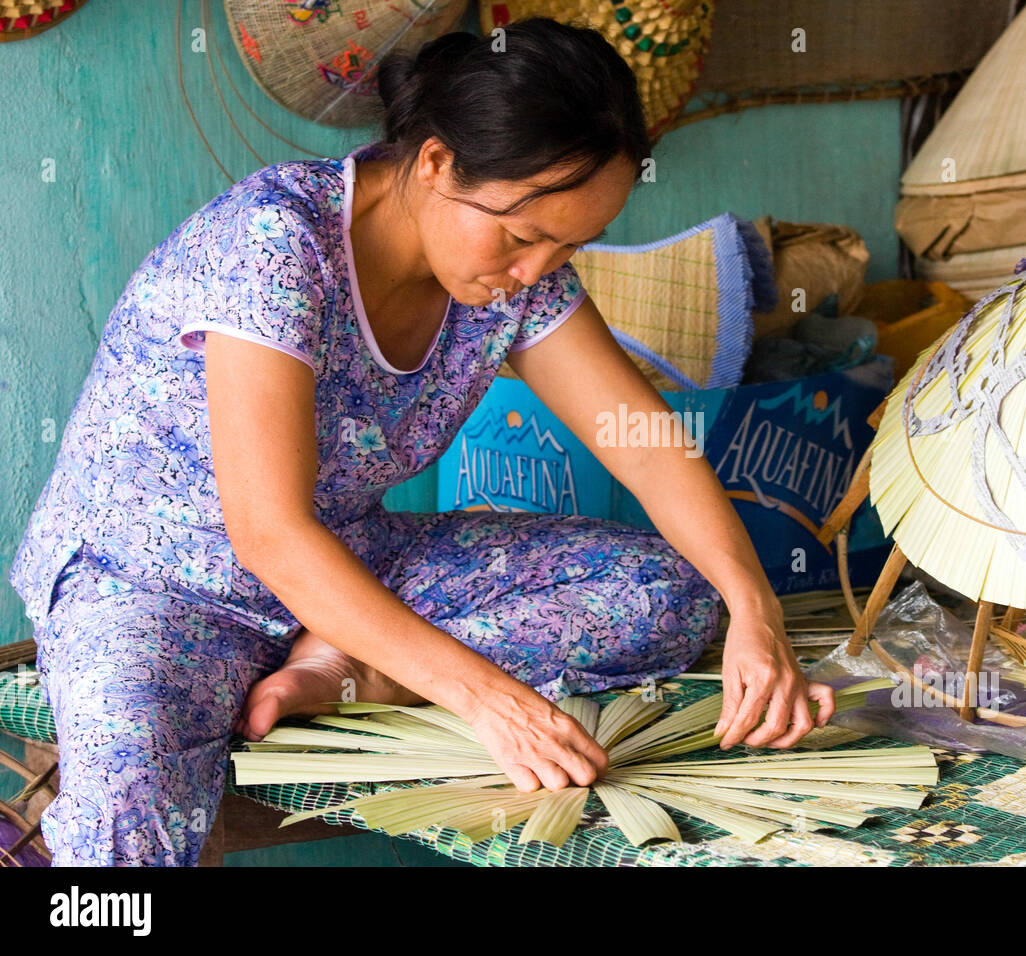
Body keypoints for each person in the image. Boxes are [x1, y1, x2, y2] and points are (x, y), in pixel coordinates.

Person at [7, 18, 834, 867]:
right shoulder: (276, 241)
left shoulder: (517, 281)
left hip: (344, 567)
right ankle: (346, 653)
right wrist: (485, 699)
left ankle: (351, 667)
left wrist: (754, 610)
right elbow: (269, 532)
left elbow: (644, 442)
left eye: (568, 245)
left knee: (667, 593)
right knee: (126, 811)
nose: (538, 270)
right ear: (436, 164)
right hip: (154, 585)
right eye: (521, 236)